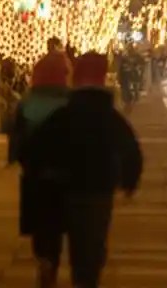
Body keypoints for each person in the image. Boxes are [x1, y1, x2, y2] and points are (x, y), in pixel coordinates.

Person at [23, 53, 142, 288]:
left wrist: (37, 173)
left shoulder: (62, 114)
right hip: (98, 186)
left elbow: (37, 147)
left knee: (53, 229)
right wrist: (129, 180)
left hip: (63, 184)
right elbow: (130, 149)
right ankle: (85, 278)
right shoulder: (110, 116)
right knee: (91, 240)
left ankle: (49, 260)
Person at [10, 53, 71, 288]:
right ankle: (51, 262)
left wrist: (20, 158)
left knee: (38, 220)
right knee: (55, 223)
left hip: (35, 171)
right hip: (61, 172)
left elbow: (17, 135)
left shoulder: (28, 102)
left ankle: (42, 258)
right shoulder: (69, 102)